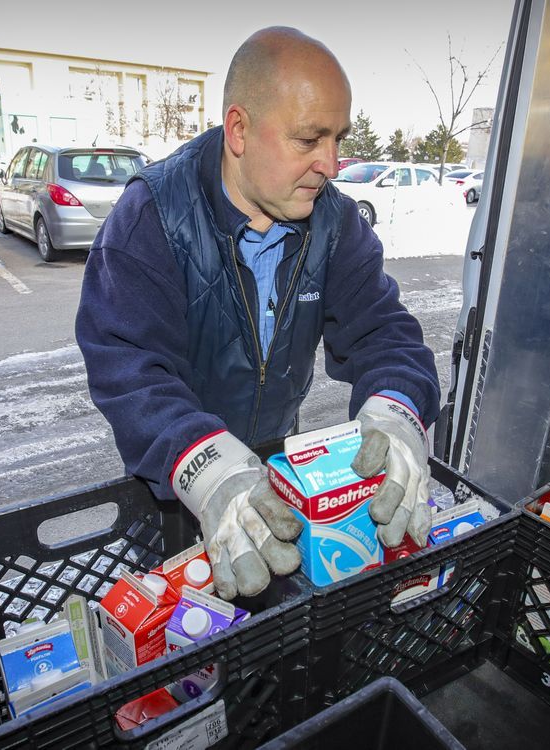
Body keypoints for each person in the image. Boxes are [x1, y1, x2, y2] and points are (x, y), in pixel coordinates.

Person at [76, 27, 440, 600]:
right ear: (239, 129)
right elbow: (128, 366)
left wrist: (396, 414)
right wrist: (211, 470)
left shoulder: (335, 226)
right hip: (178, 489)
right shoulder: (153, 217)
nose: (333, 163)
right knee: (184, 656)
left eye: (338, 138)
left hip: (278, 479)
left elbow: (385, 333)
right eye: (308, 139)